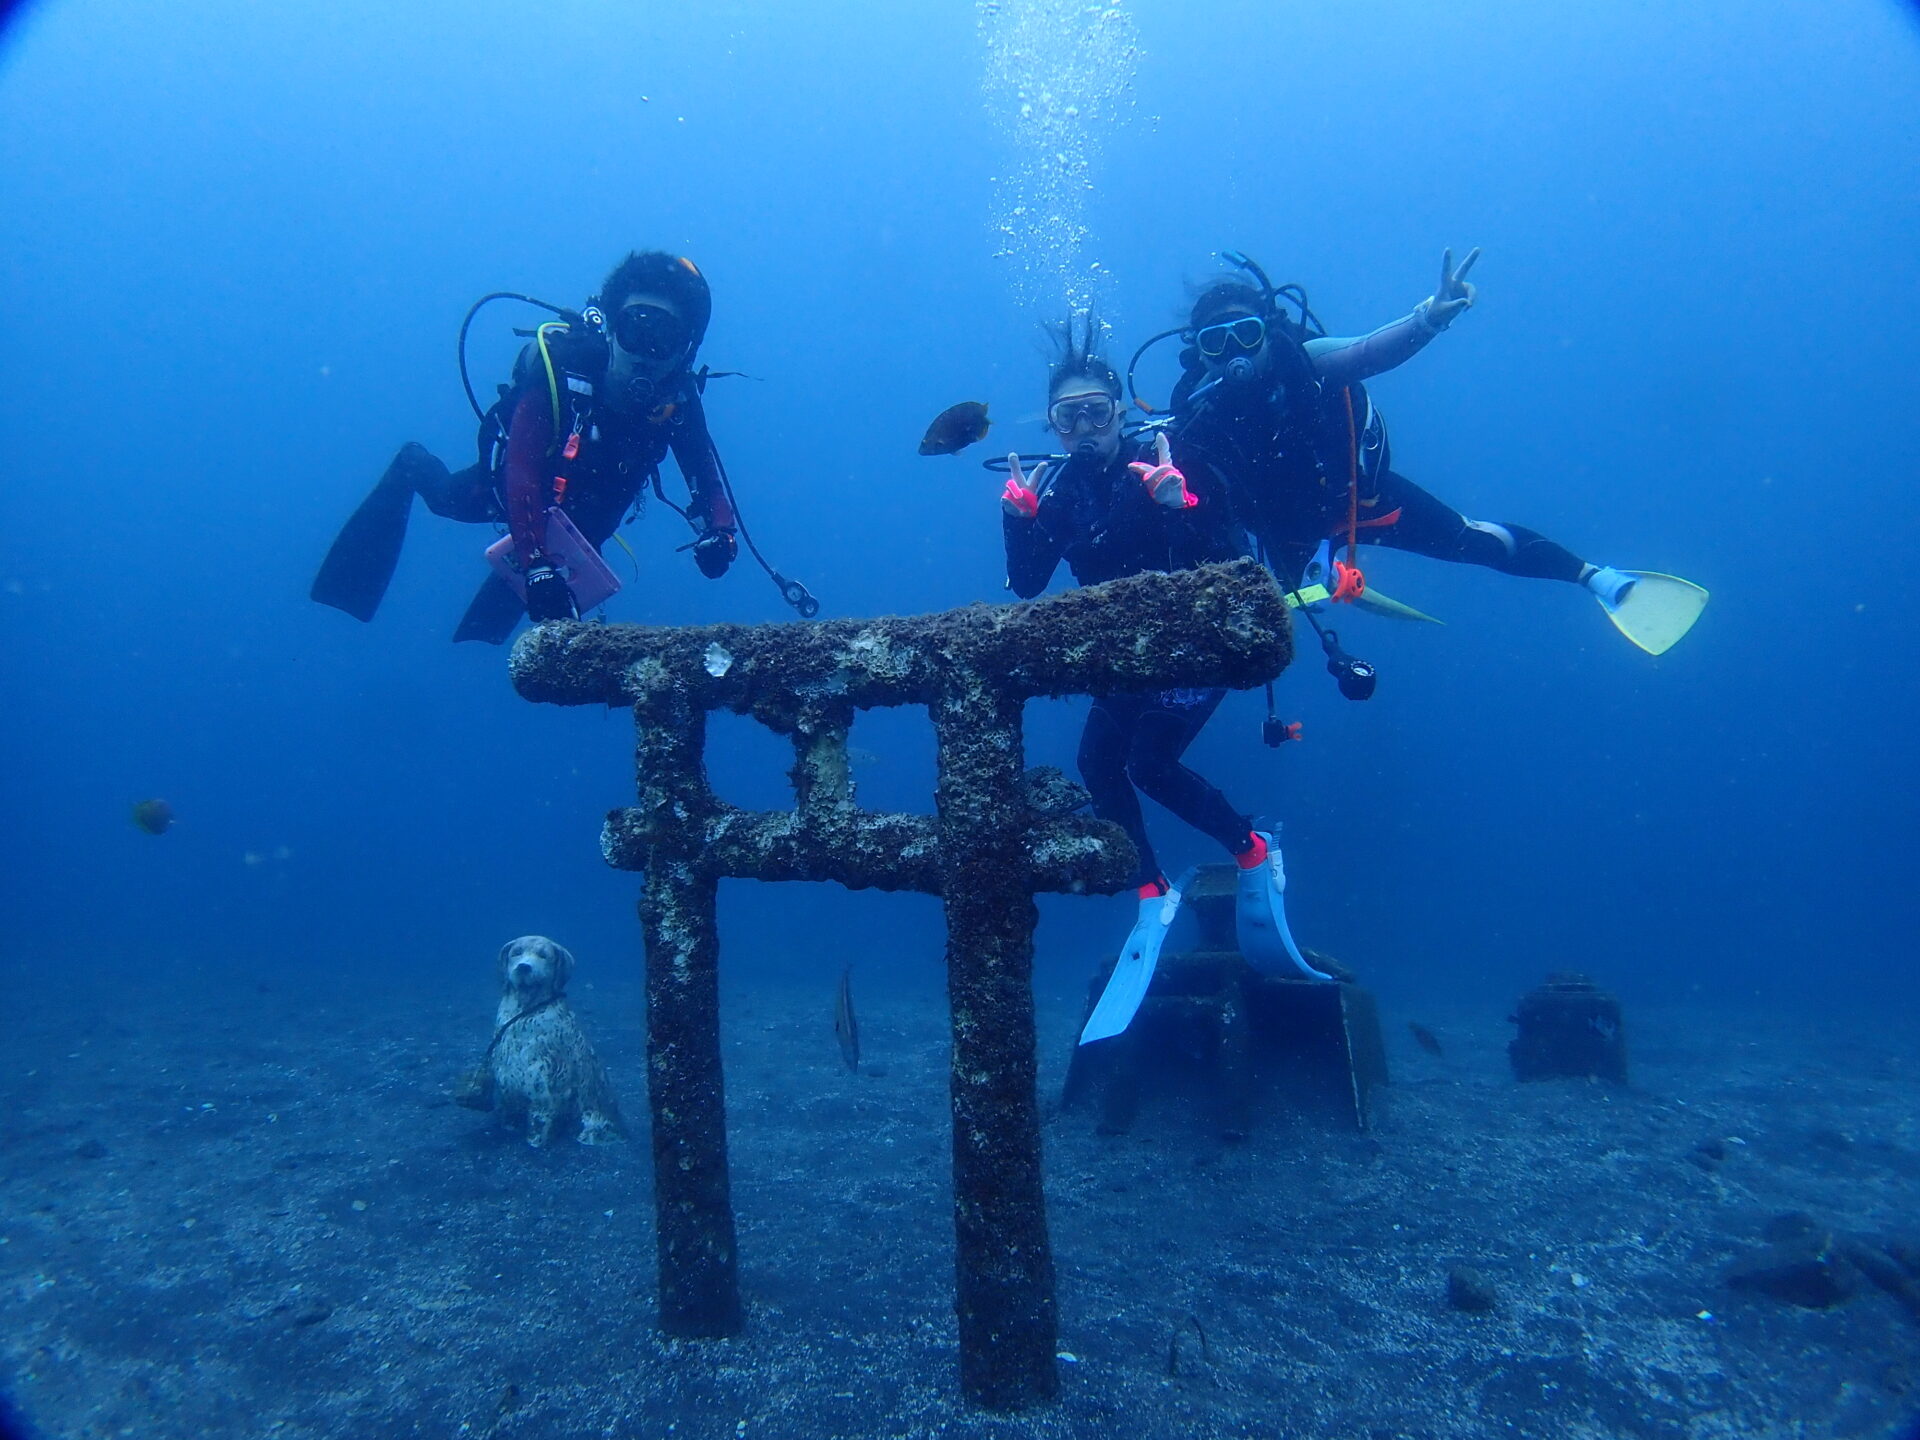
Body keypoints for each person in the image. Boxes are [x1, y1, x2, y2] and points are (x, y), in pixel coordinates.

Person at [999, 317, 1331, 1045]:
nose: (1083, 430)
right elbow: (1026, 584)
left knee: (1149, 764)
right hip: (1128, 657)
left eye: (1095, 412)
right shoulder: (1060, 492)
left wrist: (1180, 506)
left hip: (1197, 647)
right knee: (1096, 762)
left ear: (1120, 412)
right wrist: (1019, 521)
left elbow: (1224, 564)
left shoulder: (1167, 458)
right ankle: (1151, 890)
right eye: (1066, 418)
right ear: (1052, 426)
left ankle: (1252, 850)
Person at [1166, 251, 1704, 656]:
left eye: (1245, 333)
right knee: (1248, 590)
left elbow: (1368, 351)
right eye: (1215, 342)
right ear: (1199, 352)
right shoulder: (1192, 412)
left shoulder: (1306, 363)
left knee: (1471, 540)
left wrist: (1430, 318)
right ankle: (1320, 568)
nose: (1233, 353)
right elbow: (1188, 493)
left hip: (1359, 502)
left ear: (1268, 333)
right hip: (1280, 530)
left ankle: (1600, 580)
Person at [312, 251, 742, 643]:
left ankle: (476, 643)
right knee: (447, 500)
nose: (645, 353)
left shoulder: (677, 404)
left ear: (684, 351)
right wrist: (535, 564)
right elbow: (520, 473)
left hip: (581, 525)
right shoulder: (562, 373)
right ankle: (412, 465)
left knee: (532, 593)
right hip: (509, 493)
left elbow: (706, 478)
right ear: (613, 330)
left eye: (663, 337)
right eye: (635, 329)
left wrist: (720, 533)